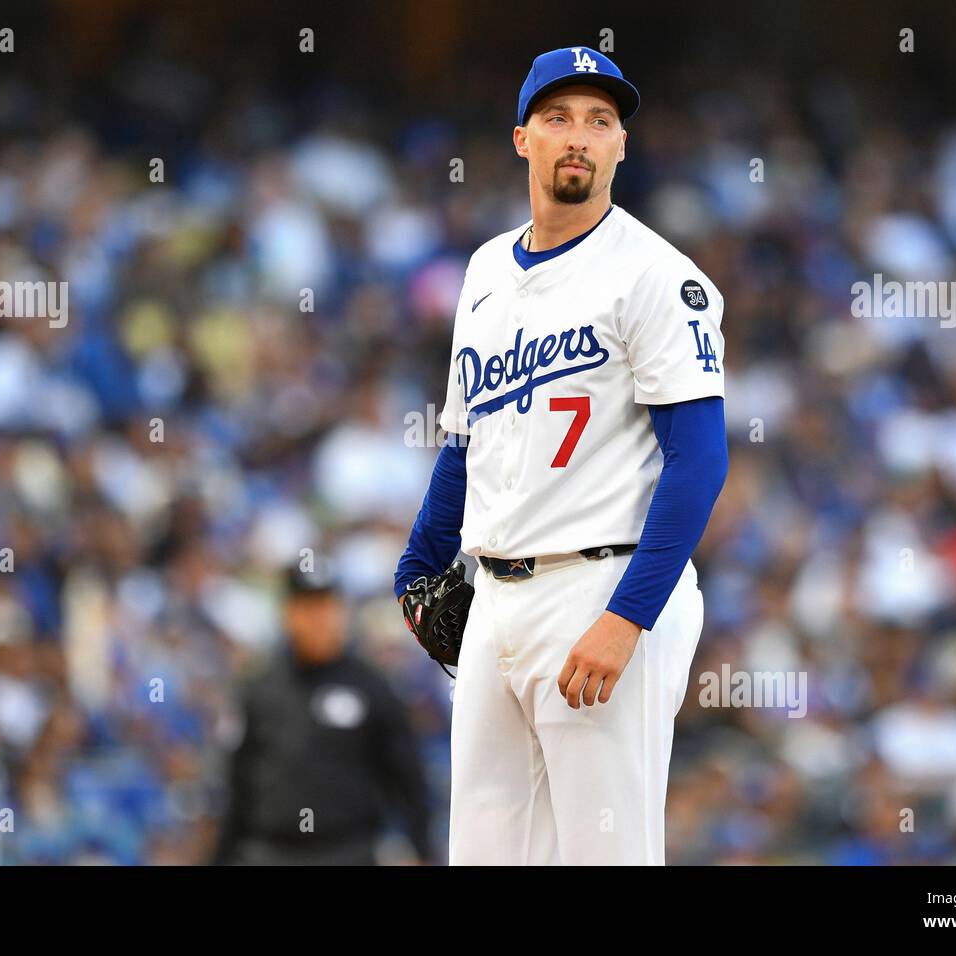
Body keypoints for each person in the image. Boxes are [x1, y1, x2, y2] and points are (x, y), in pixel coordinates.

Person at [394, 46, 728, 865]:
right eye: (558, 118)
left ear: (620, 147)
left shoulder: (657, 276)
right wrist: (414, 568)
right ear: (522, 139)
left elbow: (700, 461)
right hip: (495, 598)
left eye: (600, 121)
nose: (578, 135)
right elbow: (465, 441)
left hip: (602, 586)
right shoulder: (482, 272)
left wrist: (627, 617)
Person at [213, 561, 433, 865]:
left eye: (328, 607)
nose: (321, 619)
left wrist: (422, 849)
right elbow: (237, 785)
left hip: (347, 852)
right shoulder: (258, 689)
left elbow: (408, 778)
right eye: (309, 608)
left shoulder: (372, 687)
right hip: (269, 853)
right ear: (288, 614)